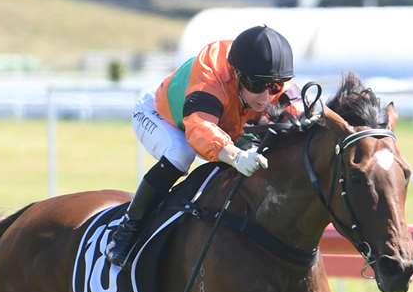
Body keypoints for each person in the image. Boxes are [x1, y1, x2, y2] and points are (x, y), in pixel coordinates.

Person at [105, 24, 300, 267]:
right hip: (161, 116)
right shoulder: (212, 71)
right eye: (257, 86)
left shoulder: (273, 77)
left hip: (223, 125)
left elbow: (302, 115)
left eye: (274, 86)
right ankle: (129, 228)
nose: (265, 97)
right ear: (237, 74)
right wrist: (236, 156)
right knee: (180, 153)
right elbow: (198, 129)